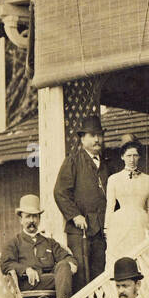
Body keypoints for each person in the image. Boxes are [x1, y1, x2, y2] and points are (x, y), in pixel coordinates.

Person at [53, 114, 111, 286]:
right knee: (81, 276)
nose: (97, 139)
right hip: (80, 230)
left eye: (100, 135)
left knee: (99, 274)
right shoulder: (72, 161)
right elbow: (60, 192)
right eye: (92, 135)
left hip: (101, 230)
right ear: (82, 138)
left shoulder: (107, 164)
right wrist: (75, 216)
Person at [0, 195, 76, 298]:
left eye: (35, 216)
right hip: (28, 283)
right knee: (64, 279)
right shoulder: (14, 242)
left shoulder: (49, 242)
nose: (32, 221)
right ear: (21, 219)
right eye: (28, 217)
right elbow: (6, 264)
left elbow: (67, 257)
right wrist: (25, 270)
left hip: (51, 280)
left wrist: (70, 265)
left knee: (64, 266)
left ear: (39, 219)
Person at [105, 139, 149, 274]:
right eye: (128, 155)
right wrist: (107, 228)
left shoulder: (148, 180)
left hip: (141, 222)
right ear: (122, 157)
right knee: (120, 257)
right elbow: (110, 205)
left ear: (139, 157)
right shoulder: (114, 179)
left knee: (142, 259)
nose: (132, 159)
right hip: (120, 223)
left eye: (135, 155)